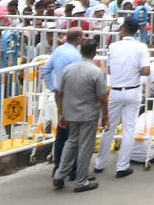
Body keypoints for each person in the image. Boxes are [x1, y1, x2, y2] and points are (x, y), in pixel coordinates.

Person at [54, 40, 108, 192]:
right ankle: (81, 180)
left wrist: (61, 112)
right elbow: (102, 97)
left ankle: (60, 174)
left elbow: (60, 93)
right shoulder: (95, 72)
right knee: (85, 146)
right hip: (88, 114)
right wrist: (105, 116)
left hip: (70, 112)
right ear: (94, 52)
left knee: (71, 142)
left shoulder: (68, 70)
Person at [103, 18, 151, 177]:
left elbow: (109, 69)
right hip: (133, 89)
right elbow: (146, 70)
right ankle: (122, 166)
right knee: (129, 129)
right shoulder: (141, 47)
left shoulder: (113, 46)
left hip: (116, 90)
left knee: (109, 127)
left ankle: (100, 163)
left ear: (123, 29)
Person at [42, 28, 85, 180]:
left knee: (62, 132)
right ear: (78, 39)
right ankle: (72, 170)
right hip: (72, 97)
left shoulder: (58, 51)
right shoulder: (75, 56)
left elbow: (45, 71)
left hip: (60, 95)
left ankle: (58, 166)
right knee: (73, 136)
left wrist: (53, 87)